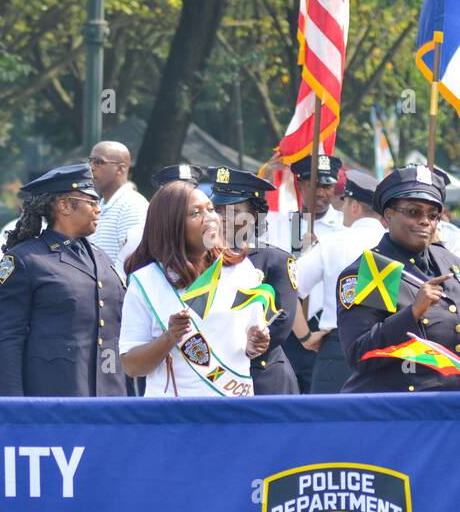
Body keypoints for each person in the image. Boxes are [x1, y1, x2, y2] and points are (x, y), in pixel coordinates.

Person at [121, 180, 270, 397]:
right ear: (170, 225)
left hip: (233, 407)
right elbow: (132, 366)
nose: (210, 217)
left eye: (211, 209)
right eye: (195, 213)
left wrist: (256, 344)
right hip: (173, 417)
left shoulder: (241, 269)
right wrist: (169, 337)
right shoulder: (146, 281)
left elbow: (250, 342)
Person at [0, 163, 127, 397]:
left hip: (109, 394)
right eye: (92, 202)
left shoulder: (100, 256)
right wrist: (12, 405)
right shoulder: (26, 259)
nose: (98, 209)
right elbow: (8, 338)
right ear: (65, 205)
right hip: (55, 397)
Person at [338, 166, 460, 393]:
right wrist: (412, 312)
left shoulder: (450, 261)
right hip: (399, 408)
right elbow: (360, 354)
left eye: (432, 215)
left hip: (448, 407)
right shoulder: (377, 270)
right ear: (387, 216)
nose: (425, 221)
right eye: (414, 212)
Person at [208, 167, 300, 395]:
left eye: (233, 210)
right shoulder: (199, 259)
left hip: (262, 376)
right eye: (217, 209)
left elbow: (280, 324)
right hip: (210, 373)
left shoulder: (276, 260)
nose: (221, 218)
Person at [294, 169, 385, 394]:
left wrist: (305, 336)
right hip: (387, 349)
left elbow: (289, 286)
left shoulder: (331, 242)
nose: (341, 207)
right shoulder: (394, 243)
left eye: (344, 202)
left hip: (338, 348)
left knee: (328, 425)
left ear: (354, 206)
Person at [283, 152, 346, 392]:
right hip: (288, 327)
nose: (320, 192)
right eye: (313, 184)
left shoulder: (345, 226)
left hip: (327, 330)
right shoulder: (282, 222)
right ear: (300, 184)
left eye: (327, 185)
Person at [89, 141, 149, 267]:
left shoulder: (132, 205)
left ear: (120, 169)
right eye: (90, 161)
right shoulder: (101, 205)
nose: (91, 167)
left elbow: (134, 261)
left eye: (99, 162)